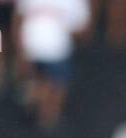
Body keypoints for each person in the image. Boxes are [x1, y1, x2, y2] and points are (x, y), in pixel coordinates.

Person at [16, 0, 89, 130]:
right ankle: (44, 115)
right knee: (43, 82)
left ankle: (49, 116)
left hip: (58, 49)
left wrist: (61, 31)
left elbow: (82, 26)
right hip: (33, 48)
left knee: (58, 84)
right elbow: (18, 19)